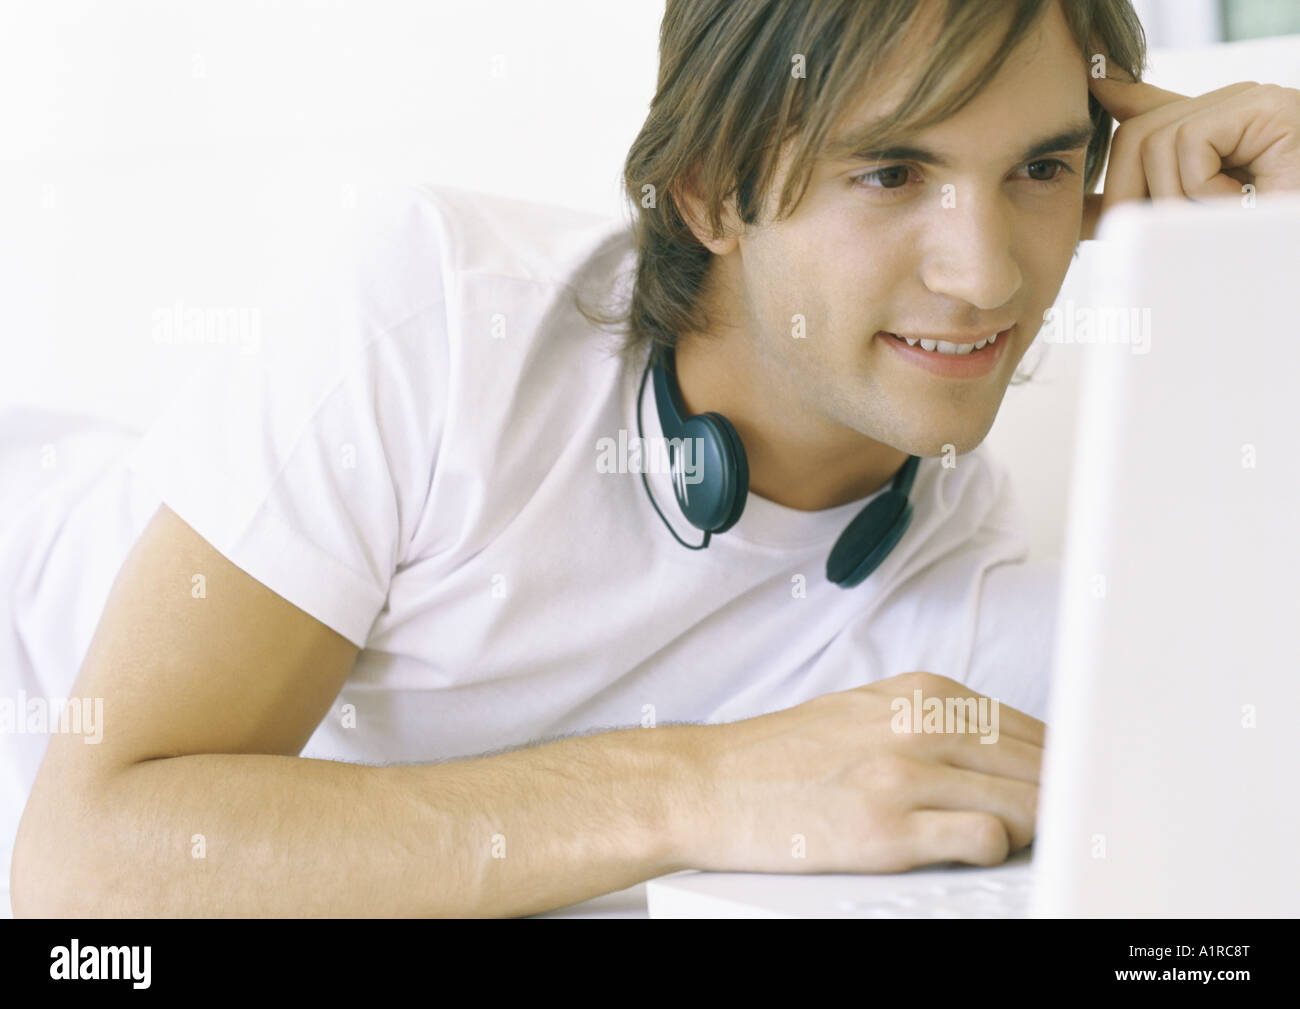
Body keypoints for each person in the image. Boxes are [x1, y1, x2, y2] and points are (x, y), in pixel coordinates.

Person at [9, 0, 1300, 917]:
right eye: (891, 171)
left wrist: (1275, 259)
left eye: (1040, 166)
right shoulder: (441, 320)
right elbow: (87, 865)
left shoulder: (963, 580)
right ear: (708, 190)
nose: (988, 273)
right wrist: (699, 782)